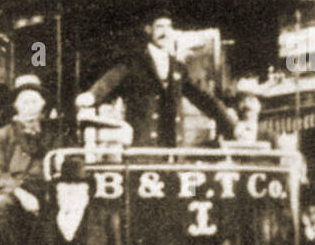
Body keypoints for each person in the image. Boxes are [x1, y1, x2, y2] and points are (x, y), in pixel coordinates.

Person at [75, 9, 236, 147]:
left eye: (169, 27)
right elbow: (110, 80)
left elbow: (203, 97)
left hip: (173, 149)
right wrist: (91, 96)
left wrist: (230, 123)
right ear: (148, 29)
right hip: (143, 149)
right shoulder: (134, 63)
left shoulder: (178, 68)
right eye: (159, 27)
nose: (165, 32)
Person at [0, 74, 57, 245]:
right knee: (2, 204)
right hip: (16, 193)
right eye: (24, 102)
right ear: (16, 106)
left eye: (34, 101)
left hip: (48, 190)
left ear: (43, 105)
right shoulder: (4, 134)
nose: (29, 107)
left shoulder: (54, 132)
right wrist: (20, 192)